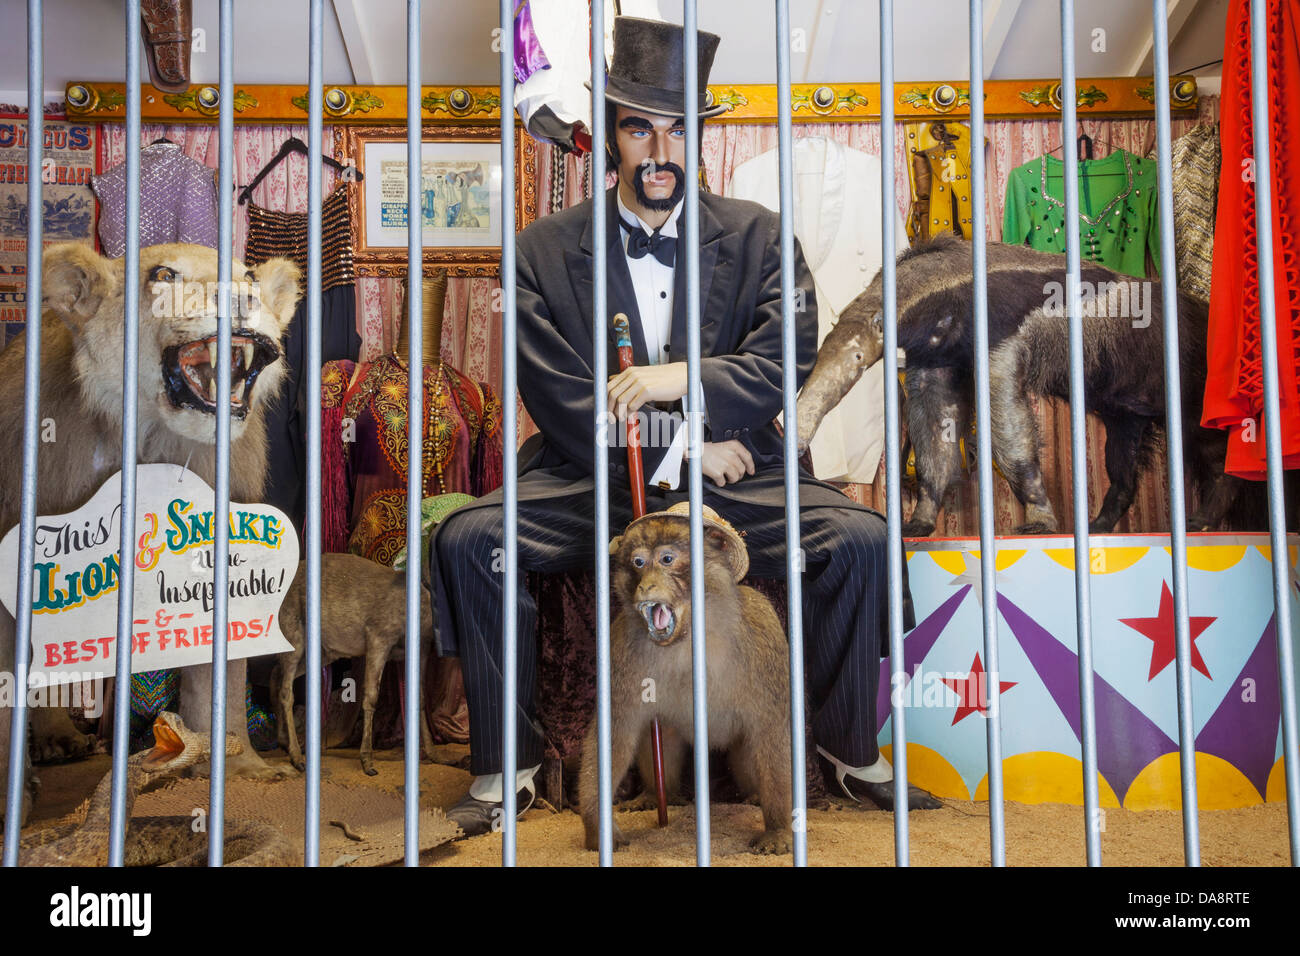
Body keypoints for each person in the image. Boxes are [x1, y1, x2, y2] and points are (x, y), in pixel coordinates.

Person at [428, 16, 939, 837]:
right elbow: (560, 394)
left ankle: (849, 754)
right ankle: (507, 767)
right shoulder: (539, 249)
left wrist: (677, 381)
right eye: (638, 128)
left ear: (697, 134)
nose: (658, 151)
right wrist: (687, 442)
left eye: (676, 129)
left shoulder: (762, 236)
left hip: (741, 479)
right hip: (590, 475)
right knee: (469, 540)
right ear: (612, 137)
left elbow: (785, 360)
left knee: (861, 538)